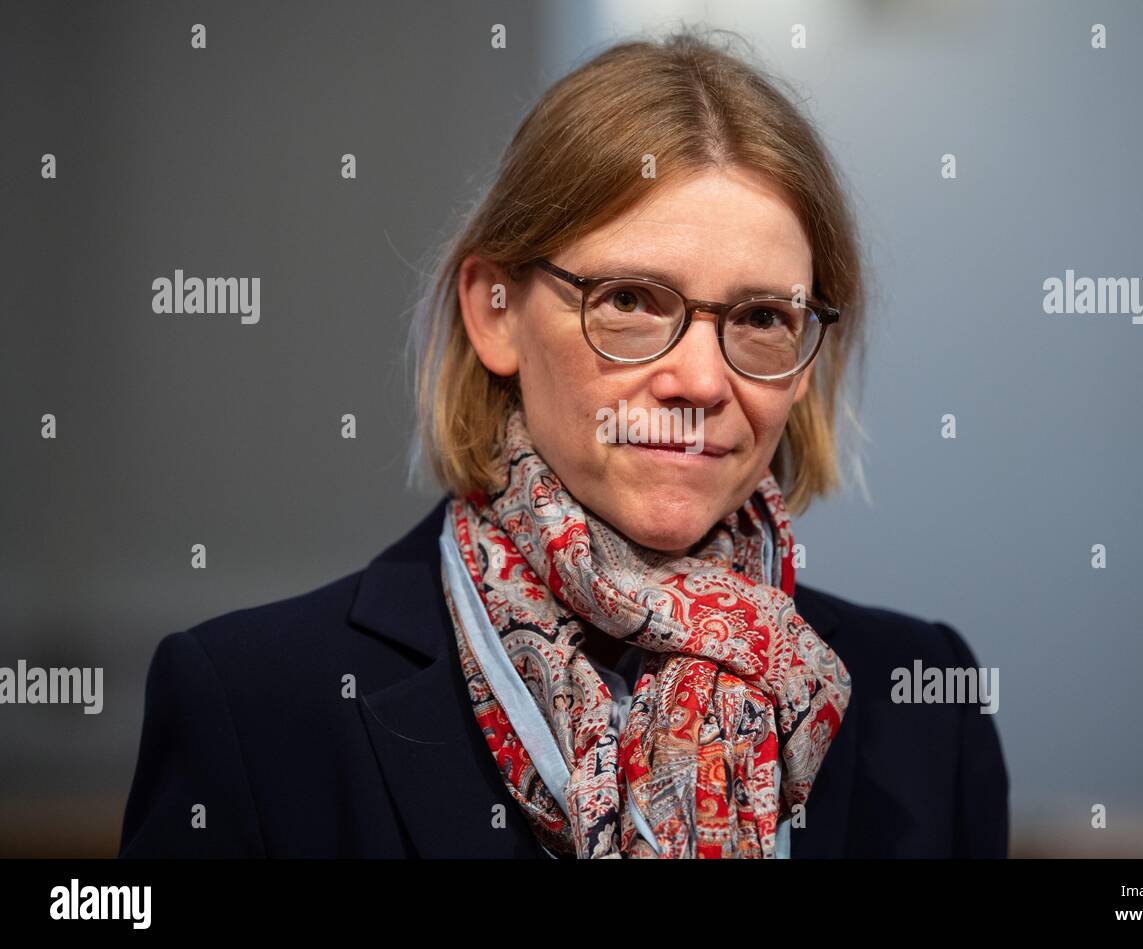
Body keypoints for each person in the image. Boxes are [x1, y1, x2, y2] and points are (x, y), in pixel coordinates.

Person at [119, 29, 1008, 859]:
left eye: (764, 316)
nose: (701, 379)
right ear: (493, 312)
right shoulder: (256, 705)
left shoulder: (923, 703)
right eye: (629, 299)